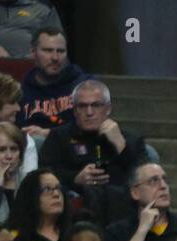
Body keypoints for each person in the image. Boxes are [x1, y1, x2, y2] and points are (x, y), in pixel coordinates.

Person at [37, 79, 149, 226]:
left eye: (96, 105)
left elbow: (146, 177)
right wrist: (74, 178)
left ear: (108, 109)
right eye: (82, 106)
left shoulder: (131, 139)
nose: (89, 112)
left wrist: (121, 146)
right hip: (75, 212)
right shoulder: (59, 137)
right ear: (74, 110)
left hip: (124, 211)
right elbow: (44, 173)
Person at [18, 26, 88, 138]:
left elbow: (91, 124)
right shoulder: (21, 90)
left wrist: (49, 134)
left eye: (60, 51)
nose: (55, 57)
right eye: (48, 50)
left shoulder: (84, 85)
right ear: (33, 52)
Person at [5, 169, 68, 241]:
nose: (56, 194)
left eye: (58, 188)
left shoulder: (72, 232)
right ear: (31, 195)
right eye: (48, 189)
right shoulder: (16, 237)